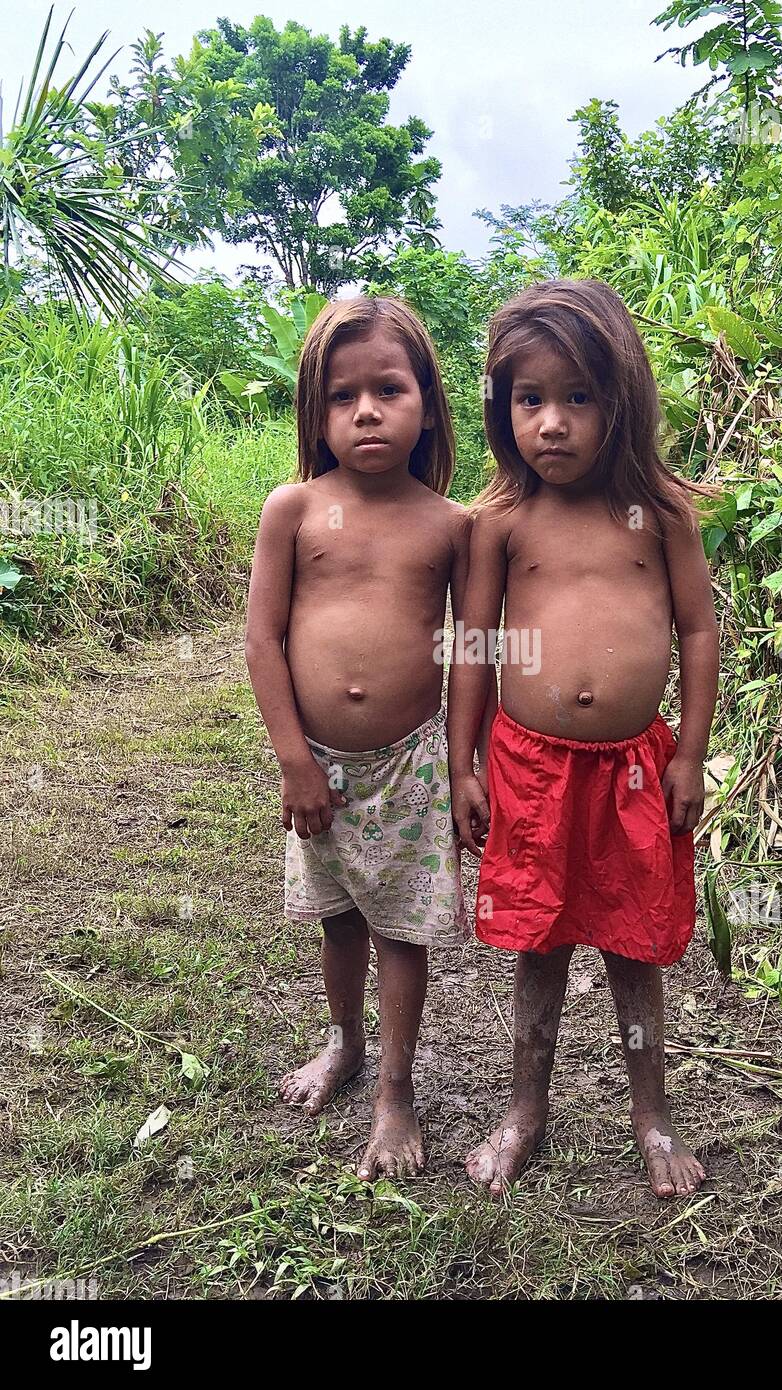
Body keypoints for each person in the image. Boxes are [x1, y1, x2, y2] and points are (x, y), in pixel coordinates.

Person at [448, 278, 719, 1198]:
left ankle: (651, 1116)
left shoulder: (661, 513)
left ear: (622, 401)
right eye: (530, 399)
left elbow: (699, 633)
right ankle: (527, 1110)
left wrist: (690, 755)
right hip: (529, 768)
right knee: (541, 944)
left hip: (638, 772)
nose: (552, 423)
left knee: (635, 947)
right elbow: (475, 651)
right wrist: (465, 765)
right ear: (502, 408)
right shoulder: (503, 524)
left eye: (577, 397)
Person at [246, 294, 477, 1180]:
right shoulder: (293, 509)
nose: (367, 411)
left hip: (410, 766)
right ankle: (342, 1043)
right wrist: (294, 760)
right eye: (343, 397)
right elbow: (263, 639)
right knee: (337, 922)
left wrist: (463, 768)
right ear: (318, 411)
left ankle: (396, 1091)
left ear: (427, 401)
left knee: (401, 930)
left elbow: (467, 655)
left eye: (390, 388)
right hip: (320, 770)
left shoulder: (450, 525)